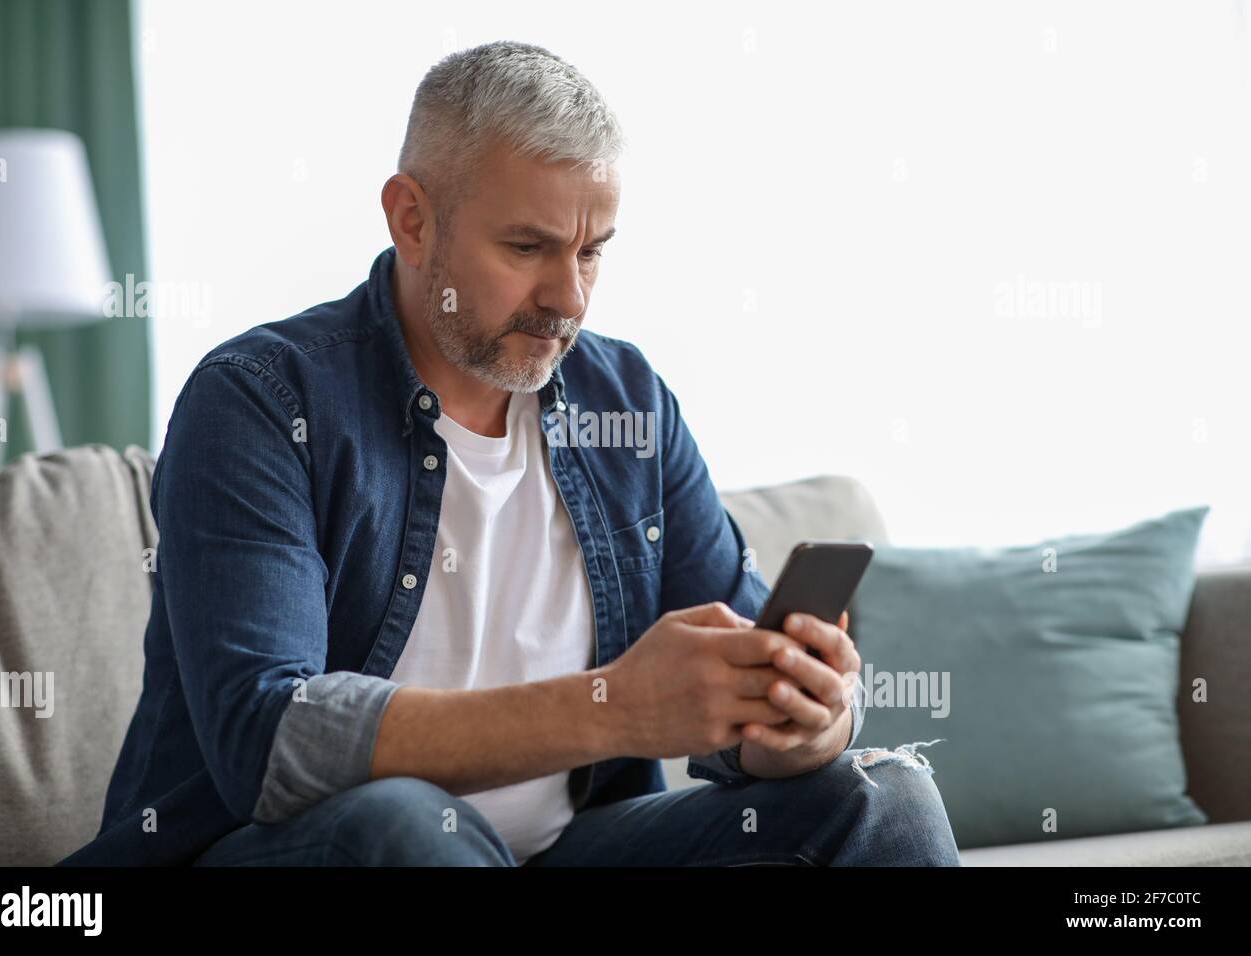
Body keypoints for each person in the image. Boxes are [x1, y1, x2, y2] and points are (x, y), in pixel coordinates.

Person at [61, 40, 960, 867]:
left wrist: (796, 728)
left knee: (881, 800)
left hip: (566, 851)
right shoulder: (261, 400)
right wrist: (617, 705)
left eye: (592, 252)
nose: (568, 298)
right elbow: (270, 743)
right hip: (297, 851)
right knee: (402, 823)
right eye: (526, 247)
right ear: (411, 218)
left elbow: (740, 690)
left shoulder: (628, 404)